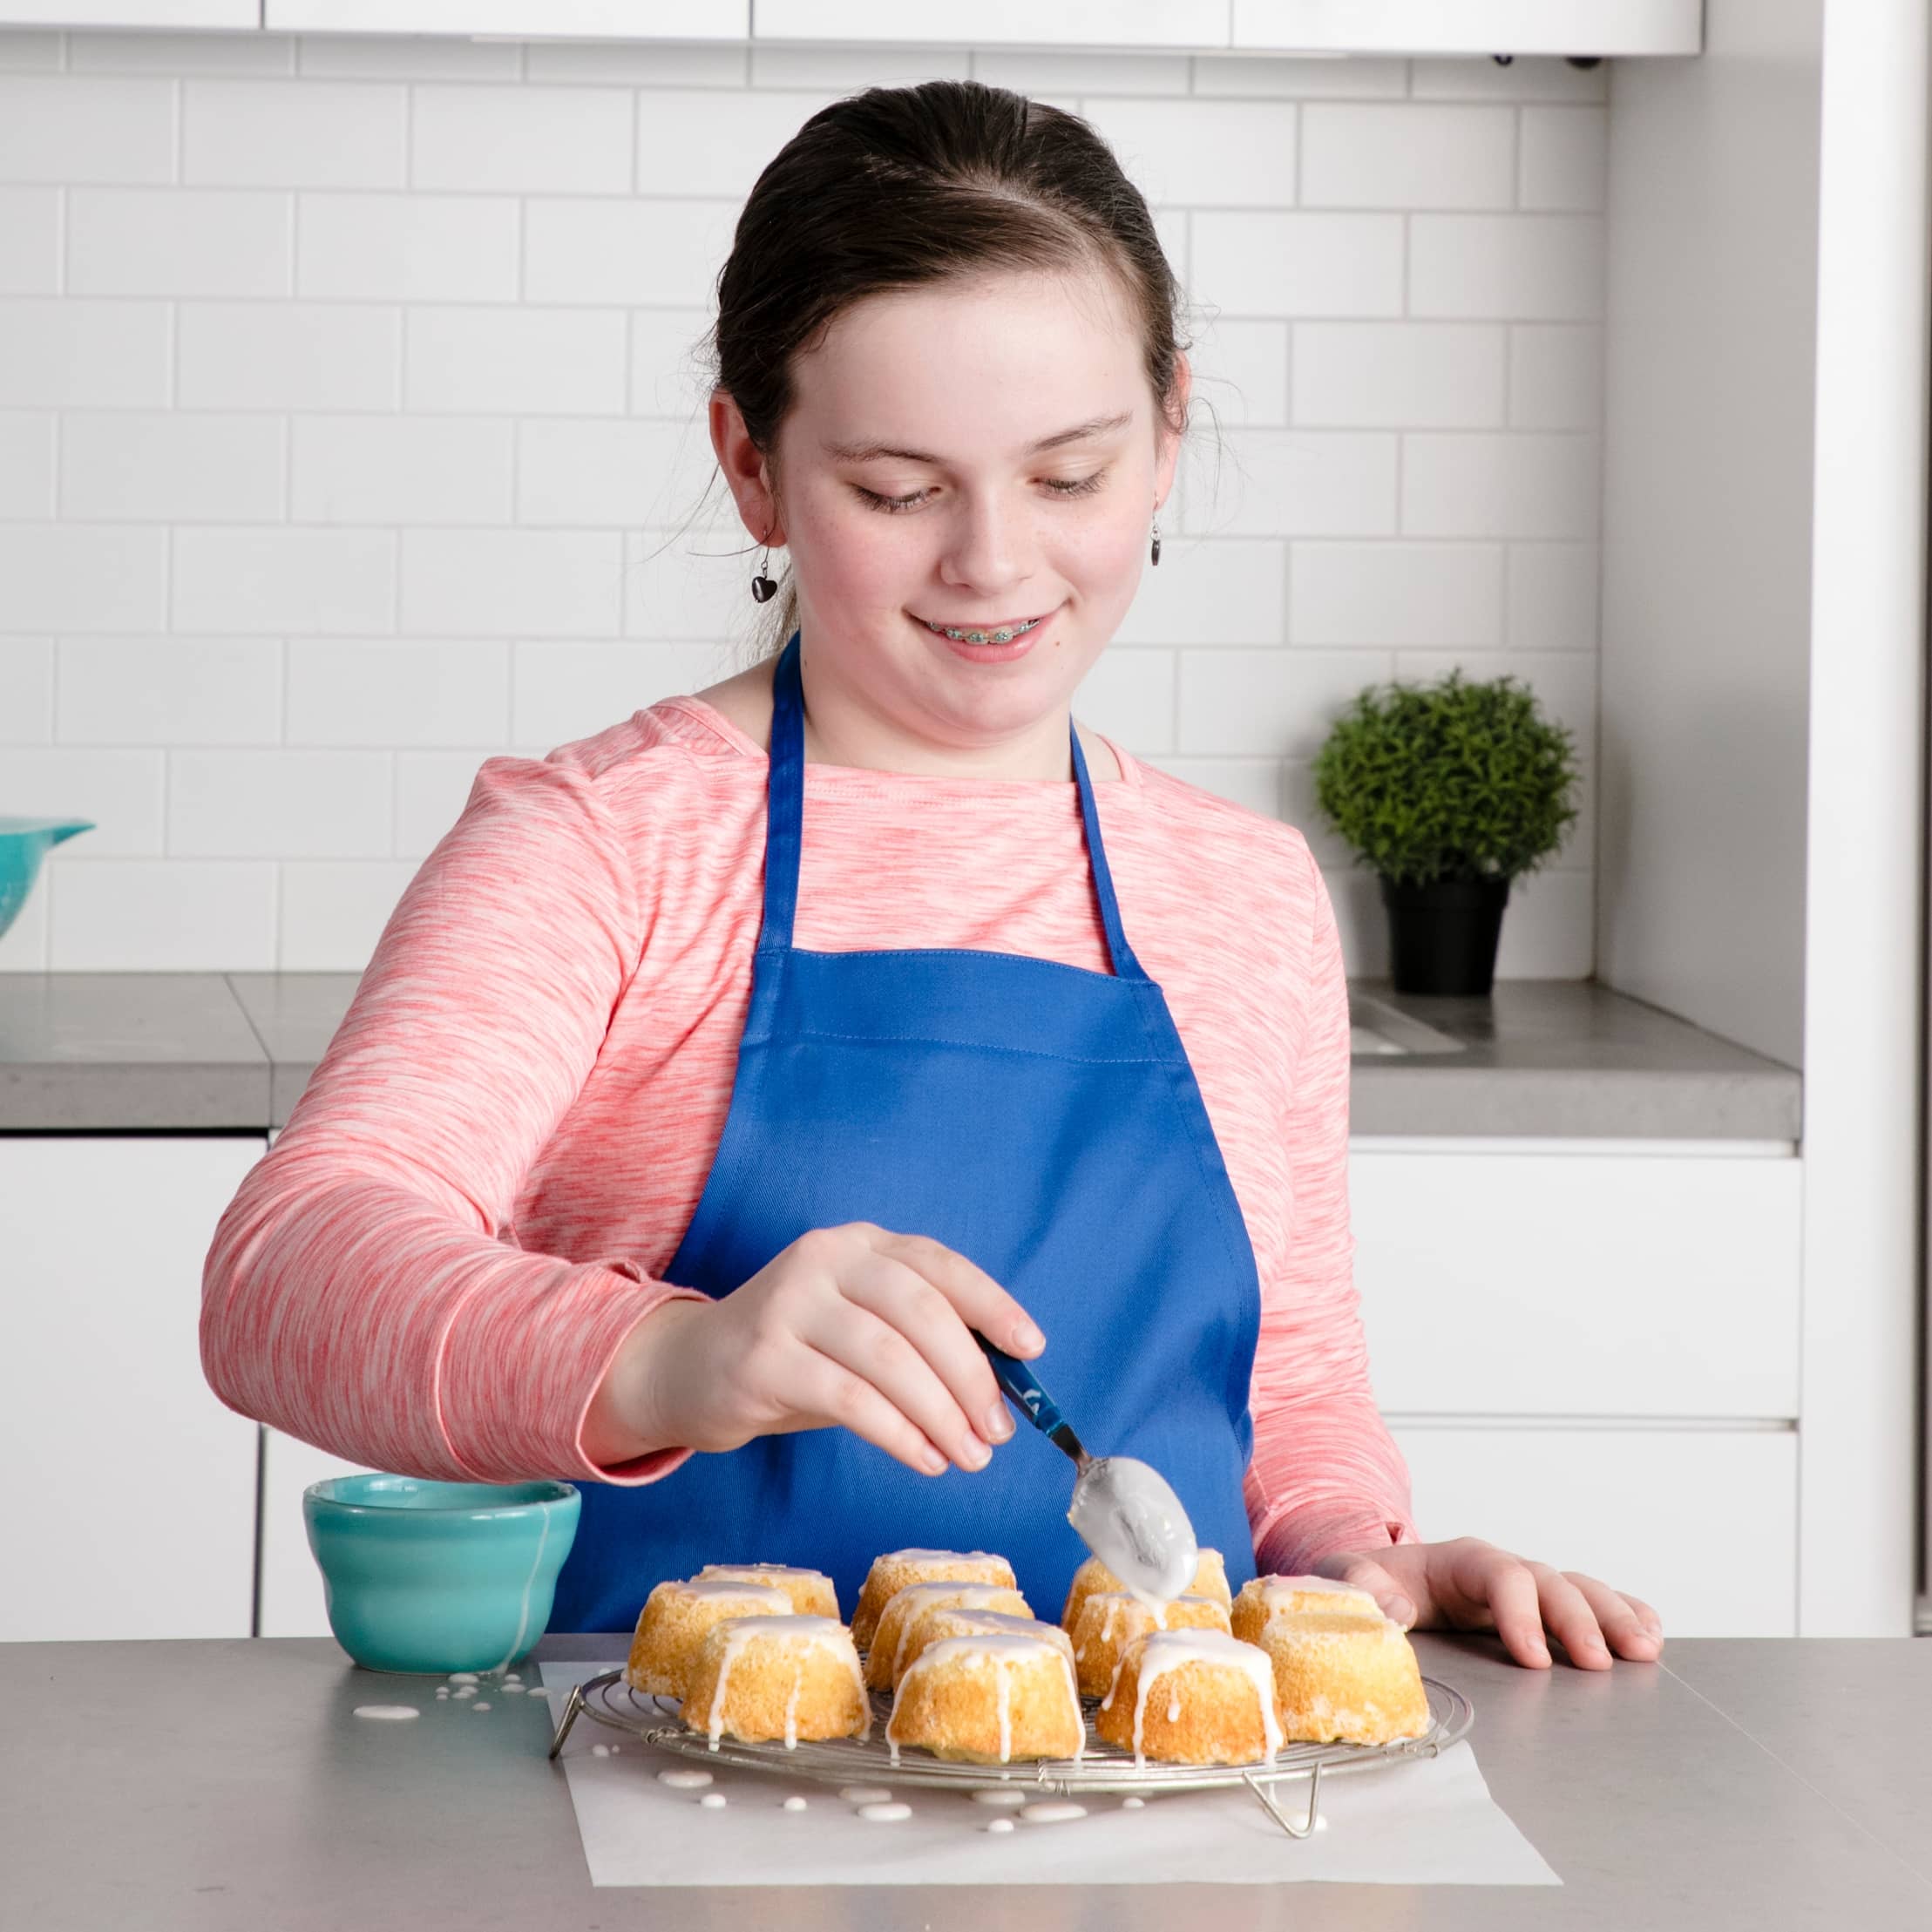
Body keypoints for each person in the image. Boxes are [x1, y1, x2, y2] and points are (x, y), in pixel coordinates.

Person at [201, 78, 1661, 1674]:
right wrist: (675, 1356)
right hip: (647, 1835)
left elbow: (1288, 1387)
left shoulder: (1238, 891)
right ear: (751, 467)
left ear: (1168, 432)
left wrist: (1364, 1562)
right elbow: (285, 1268)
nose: (992, 559)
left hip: (1161, 1827)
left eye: (1068, 475)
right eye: (897, 490)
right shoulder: (611, 845)